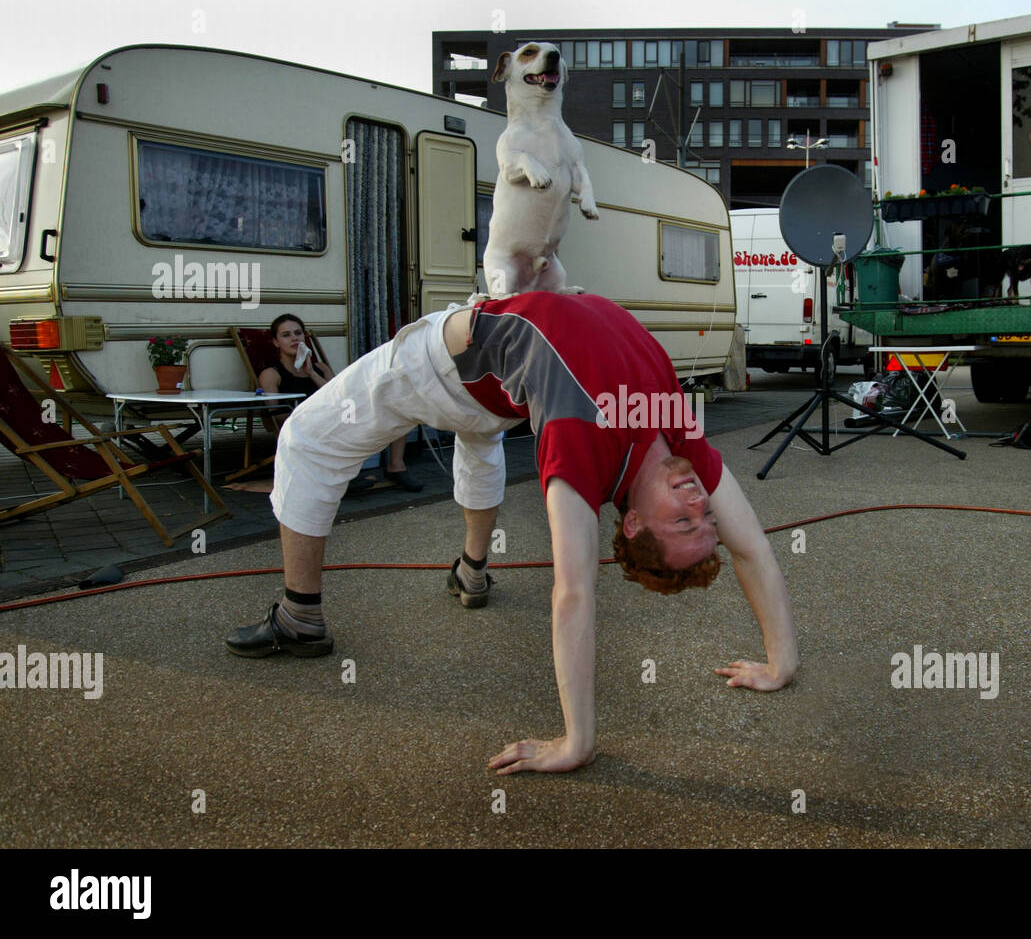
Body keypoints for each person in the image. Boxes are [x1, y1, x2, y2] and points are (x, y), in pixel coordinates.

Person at [225, 293, 798, 774]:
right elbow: (753, 547)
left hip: (443, 369)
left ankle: (299, 618)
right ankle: (472, 571)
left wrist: (578, 743)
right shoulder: (678, 442)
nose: (700, 503)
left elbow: (574, 593)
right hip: (499, 392)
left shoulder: (579, 443)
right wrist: (780, 664)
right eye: (706, 521)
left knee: (305, 438)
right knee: (481, 437)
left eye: (683, 521)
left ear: (632, 522)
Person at [260, 313, 422, 492]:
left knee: (396, 408)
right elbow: (274, 416)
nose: (294, 338)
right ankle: (342, 477)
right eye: (286, 335)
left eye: (298, 333)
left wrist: (312, 374)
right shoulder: (272, 374)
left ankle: (396, 466)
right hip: (305, 427)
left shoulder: (319, 368)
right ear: (276, 342)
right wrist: (309, 415)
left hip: (337, 416)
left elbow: (342, 396)